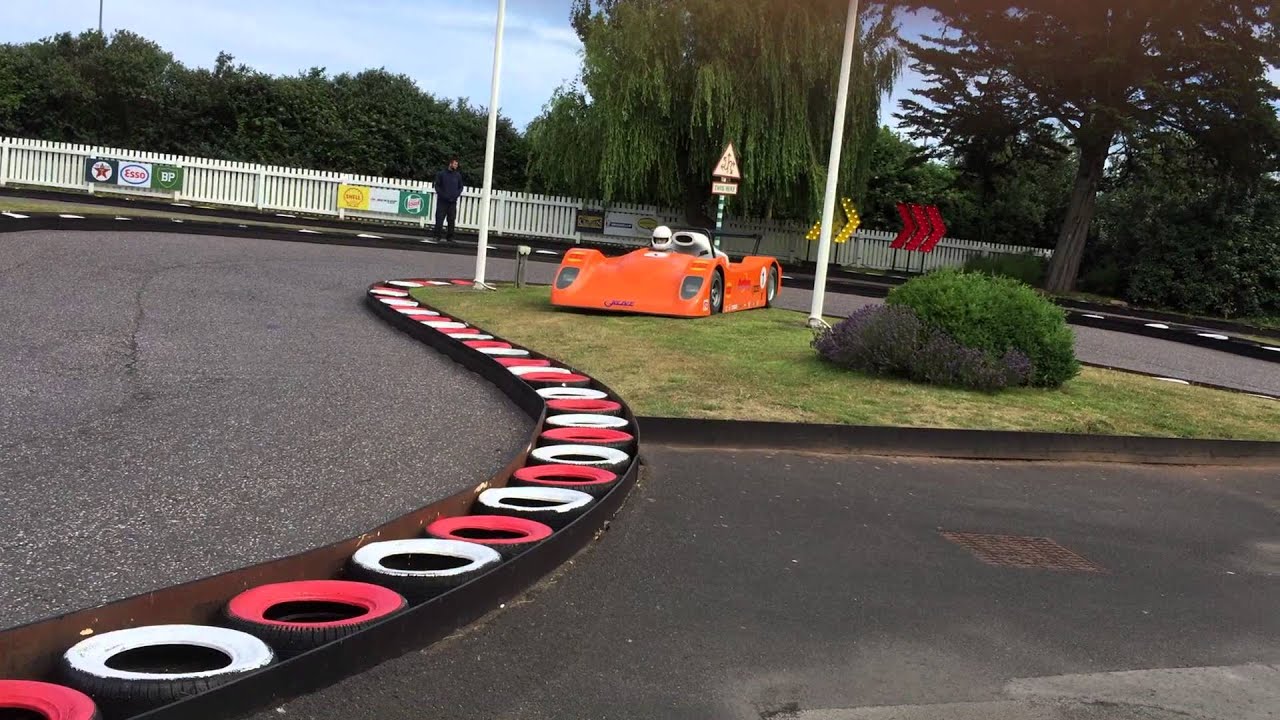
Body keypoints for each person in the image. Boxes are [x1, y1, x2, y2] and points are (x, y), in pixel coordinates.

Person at [433, 158, 464, 242]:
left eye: (457, 165)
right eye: (454, 164)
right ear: (450, 164)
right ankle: (437, 236)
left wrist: (456, 195)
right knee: (439, 219)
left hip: (452, 202)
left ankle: (450, 237)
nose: (456, 166)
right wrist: (442, 195)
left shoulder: (458, 175)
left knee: (451, 220)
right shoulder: (441, 174)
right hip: (442, 201)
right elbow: (437, 186)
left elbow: (460, 187)